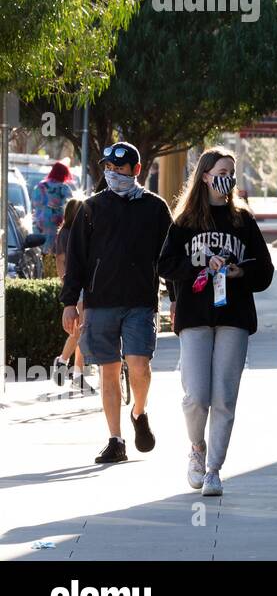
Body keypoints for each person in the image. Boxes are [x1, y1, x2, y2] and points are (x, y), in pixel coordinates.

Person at [158, 148, 274, 496]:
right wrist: (197, 266)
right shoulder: (185, 222)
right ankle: (197, 447)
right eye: (222, 172)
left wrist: (241, 271)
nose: (228, 179)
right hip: (195, 315)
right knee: (196, 395)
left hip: (233, 316)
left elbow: (265, 271)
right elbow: (165, 265)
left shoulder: (243, 220)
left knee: (224, 396)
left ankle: (213, 469)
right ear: (205, 176)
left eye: (232, 173)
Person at [59, 142, 174, 464]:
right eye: (108, 168)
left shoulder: (155, 208)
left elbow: (169, 258)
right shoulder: (91, 208)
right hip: (100, 303)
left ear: (136, 170)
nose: (113, 174)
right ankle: (115, 440)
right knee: (108, 371)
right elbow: (76, 259)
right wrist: (70, 302)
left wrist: (176, 299)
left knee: (139, 365)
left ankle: (139, 411)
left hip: (141, 302)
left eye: (120, 169)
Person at [52, 197, 91, 393]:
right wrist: (67, 286)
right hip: (76, 286)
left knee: (81, 330)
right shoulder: (66, 234)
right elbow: (60, 260)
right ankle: (70, 368)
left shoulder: (85, 231)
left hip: (86, 284)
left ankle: (69, 367)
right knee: (81, 329)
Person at [33, 160, 75, 253]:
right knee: (53, 251)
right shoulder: (64, 188)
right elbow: (70, 207)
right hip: (56, 223)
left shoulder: (40, 186)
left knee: (39, 251)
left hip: (40, 224)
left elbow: (35, 203)